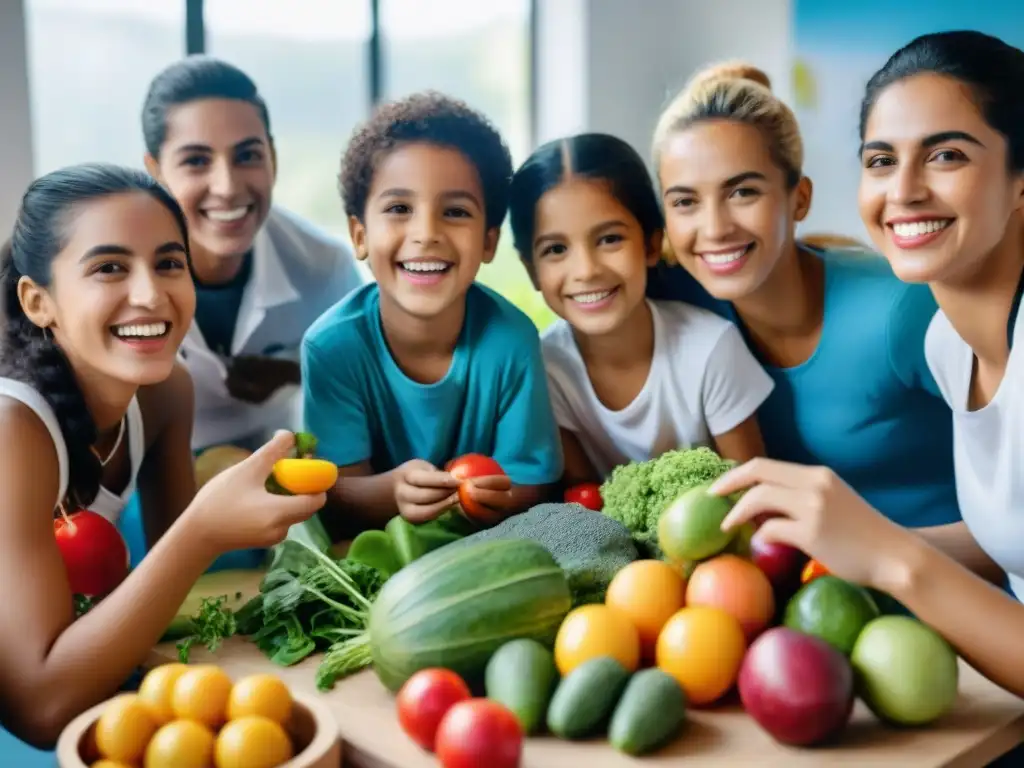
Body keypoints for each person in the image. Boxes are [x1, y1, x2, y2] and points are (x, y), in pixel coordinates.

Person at [711, 30, 1024, 702]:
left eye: (946, 155)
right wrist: (844, 548)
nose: (904, 191)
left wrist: (891, 555)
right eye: (881, 160)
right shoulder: (952, 346)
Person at [0, 163, 324, 749]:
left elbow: (172, 593)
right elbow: (38, 709)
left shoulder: (166, 391)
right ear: (37, 301)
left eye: (170, 263)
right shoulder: (12, 429)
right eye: (109, 268)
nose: (151, 294)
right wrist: (204, 529)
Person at [646, 61, 984, 568]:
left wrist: (862, 552)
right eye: (686, 201)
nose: (714, 228)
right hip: (799, 610)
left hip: (960, 602)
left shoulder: (901, 312)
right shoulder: (684, 306)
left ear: (798, 198)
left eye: (743, 192)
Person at [118, 55, 364, 568]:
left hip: (278, 473)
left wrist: (295, 372)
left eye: (247, 155)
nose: (227, 185)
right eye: (196, 160)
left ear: (272, 156)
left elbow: (364, 387)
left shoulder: (325, 267)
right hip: (147, 482)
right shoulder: (115, 276)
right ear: (154, 171)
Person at [301, 92, 563, 535]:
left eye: (456, 212)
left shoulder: (512, 340)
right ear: (359, 235)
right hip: (371, 558)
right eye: (399, 209)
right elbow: (335, 495)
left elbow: (534, 487)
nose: (426, 234)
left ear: (488, 242)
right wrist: (392, 491)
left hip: (484, 555)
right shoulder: (331, 348)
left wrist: (490, 498)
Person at [507, 132, 773, 485]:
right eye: (556, 249)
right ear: (531, 270)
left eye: (610, 239)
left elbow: (752, 493)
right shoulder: (545, 367)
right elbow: (582, 505)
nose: (586, 270)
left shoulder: (710, 348)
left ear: (651, 244)